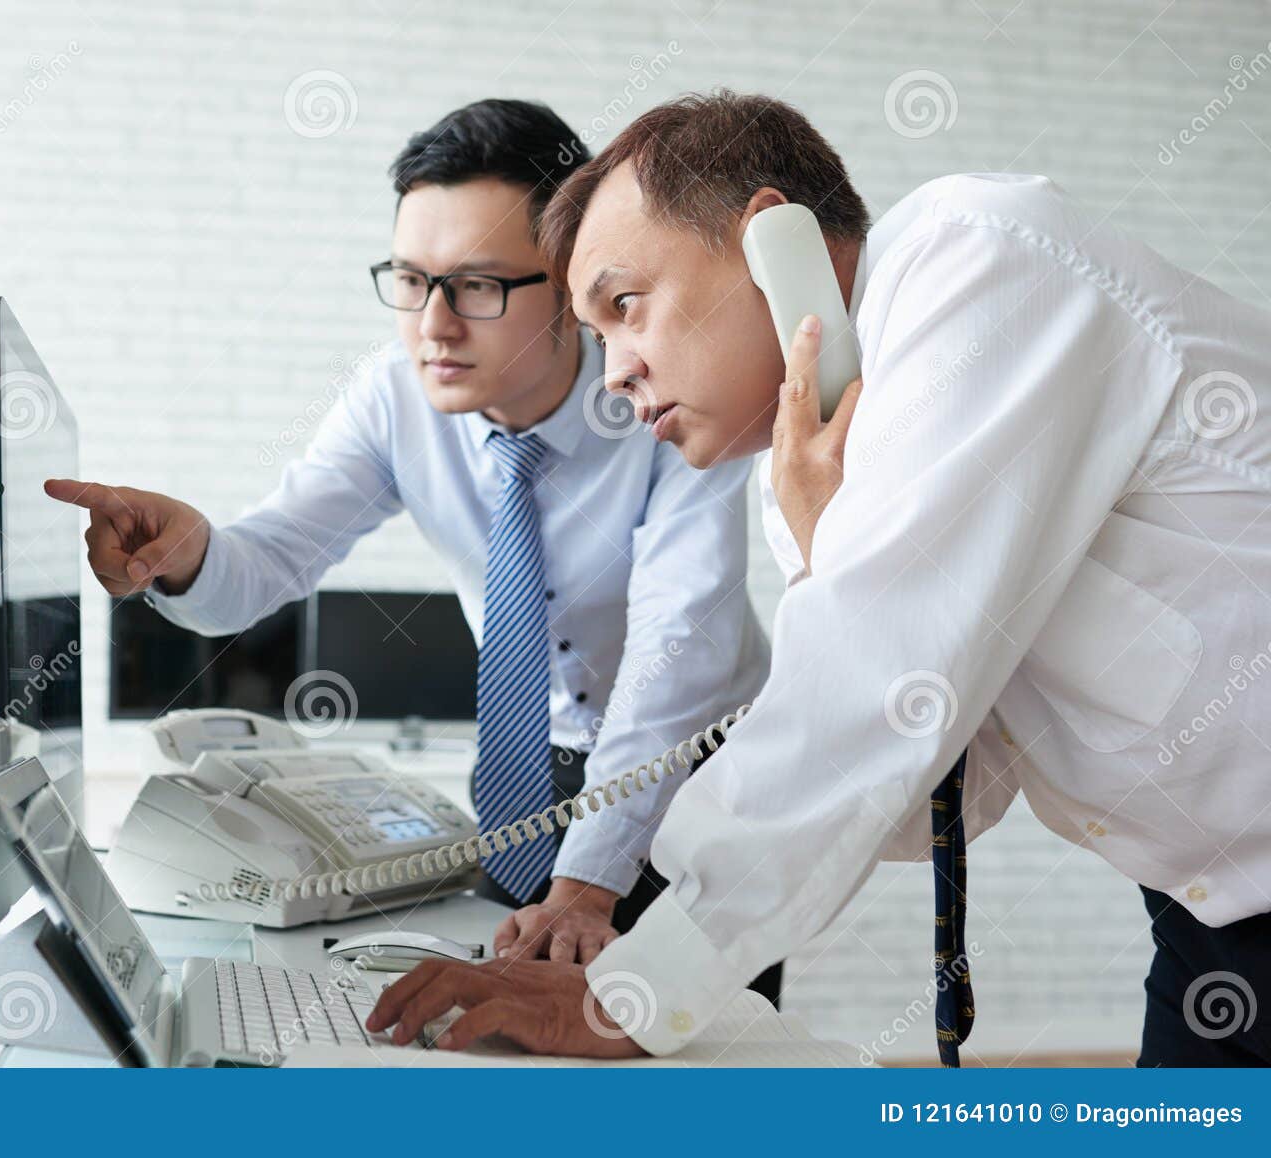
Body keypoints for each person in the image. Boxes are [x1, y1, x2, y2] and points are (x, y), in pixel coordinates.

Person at [367, 91, 1271, 1067]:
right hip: (1215, 913)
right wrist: (821, 540)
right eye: (594, 338)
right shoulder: (806, 474)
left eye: (625, 305)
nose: (614, 375)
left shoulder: (979, 259)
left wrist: (626, 997)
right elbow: (941, 801)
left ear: (772, 245)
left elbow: (869, 702)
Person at [46, 99, 779, 996]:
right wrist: (189, 556)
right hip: (527, 772)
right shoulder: (394, 398)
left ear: (571, 280)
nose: (433, 326)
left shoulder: (666, 387)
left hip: (696, 768)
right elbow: (272, 557)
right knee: (514, 1045)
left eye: (476, 286)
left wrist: (588, 883)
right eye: (409, 279)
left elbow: (680, 650)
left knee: (696, 1051)